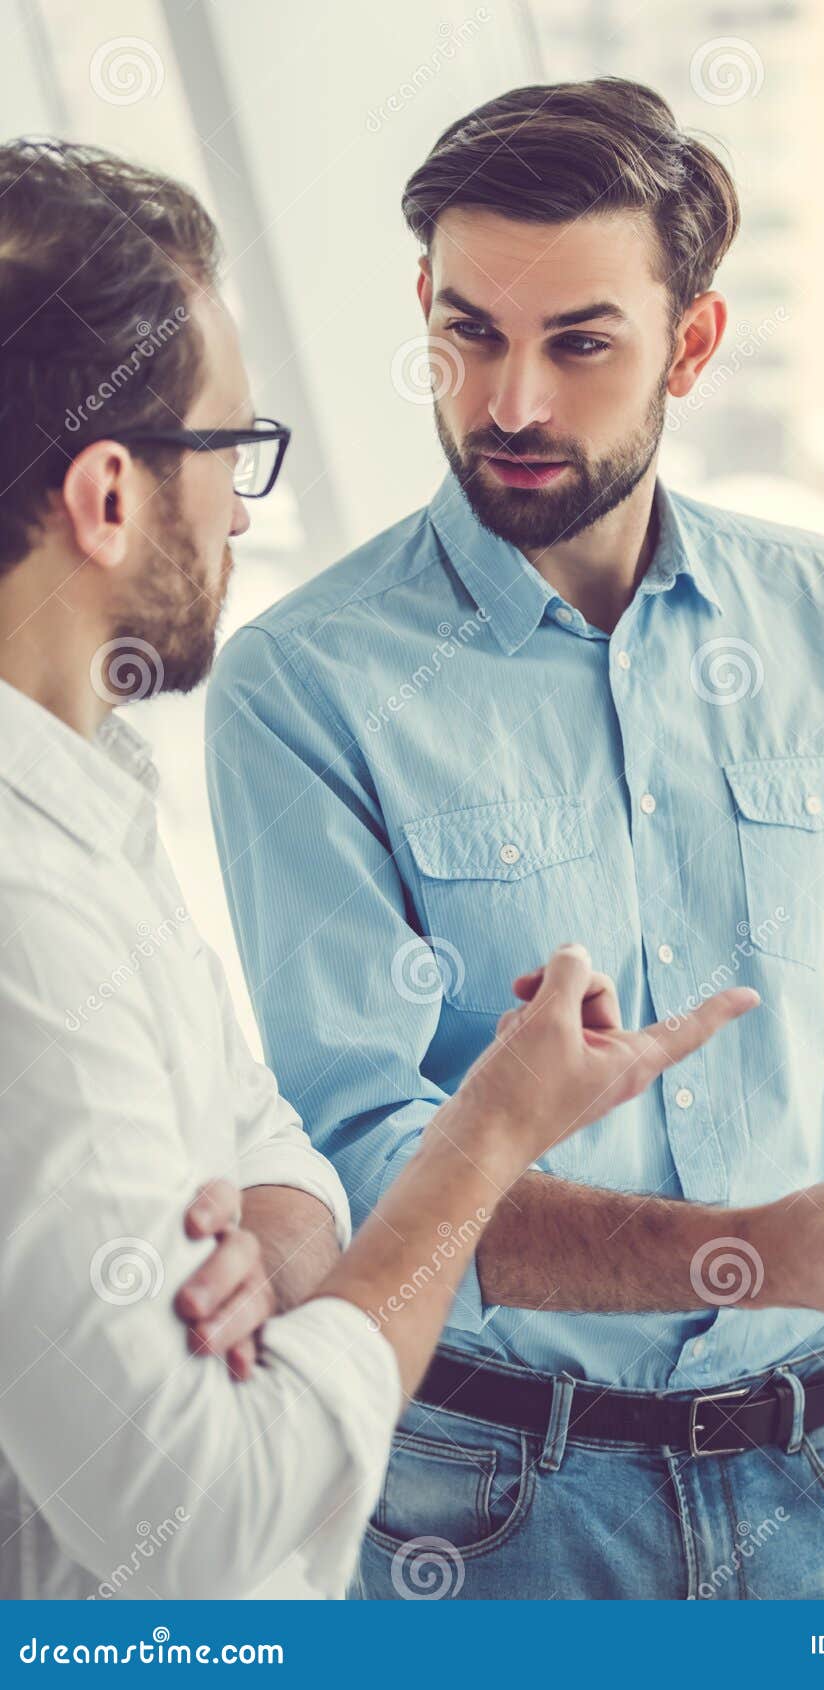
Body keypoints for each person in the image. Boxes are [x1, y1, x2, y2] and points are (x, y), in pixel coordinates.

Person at [205, 78, 824, 1603]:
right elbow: (373, 1162)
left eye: (581, 343)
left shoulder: (823, 613)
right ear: (423, 310)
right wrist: (757, 1247)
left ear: (691, 345)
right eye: (470, 332)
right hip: (491, 1506)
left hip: (820, 1485)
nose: (509, 402)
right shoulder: (304, 684)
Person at [0, 135, 760, 1601]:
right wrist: (488, 1136)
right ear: (107, 497)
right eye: (227, 452)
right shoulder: (24, 917)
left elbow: (277, 1155)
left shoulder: (92, 800)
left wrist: (280, 1246)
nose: (241, 509)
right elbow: (216, 1524)